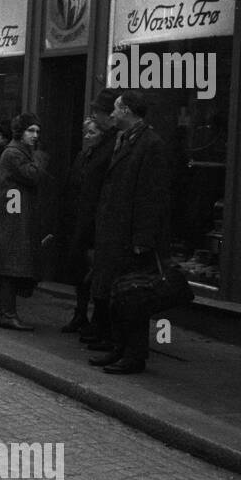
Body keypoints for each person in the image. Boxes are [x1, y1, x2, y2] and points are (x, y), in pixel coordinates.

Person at [88, 91, 170, 375]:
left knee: (133, 296)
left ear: (127, 111)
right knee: (116, 295)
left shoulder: (150, 144)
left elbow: (151, 196)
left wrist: (142, 240)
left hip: (130, 237)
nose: (111, 114)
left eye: (116, 109)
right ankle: (119, 348)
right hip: (114, 234)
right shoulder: (124, 140)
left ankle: (134, 355)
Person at [0, 113, 49, 330]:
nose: (35, 135)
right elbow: (33, 175)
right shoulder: (14, 154)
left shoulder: (18, 152)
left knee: (10, 267)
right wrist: (40, 156)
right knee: (8, 268)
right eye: (30, 130)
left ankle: (6, 312)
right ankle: (6, 313)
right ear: (20, 132)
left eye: (37, 131)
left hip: (15, 218)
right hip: (11, 221)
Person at [63, 90, 119, 338]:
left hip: (95, 222)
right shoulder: (85, 154)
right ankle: (80, 313)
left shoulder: (110, 148)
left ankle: (98, 322)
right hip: (80, 220)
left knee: (95, 273)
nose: (88, 137)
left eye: (92, 132)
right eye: (86, 133)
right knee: (80, 271)